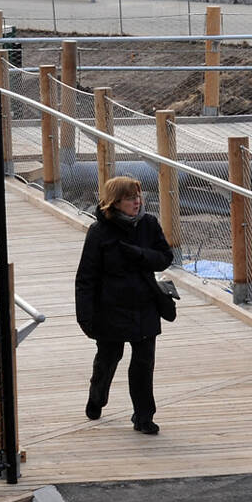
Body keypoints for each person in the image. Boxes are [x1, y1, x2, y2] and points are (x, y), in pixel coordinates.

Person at [74, 175, 175, 434]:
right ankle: (97, 397)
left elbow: (165, 258)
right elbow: (85, 278)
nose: (137, 201)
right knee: (108, 358)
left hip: (144, 305)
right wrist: (85, 317)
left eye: (138, 196)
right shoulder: (99, 232)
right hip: (110, 309)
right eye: (131, 198)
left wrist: (141, 255)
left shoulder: (149, 224)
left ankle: (143, 417)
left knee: (143, 363)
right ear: (115, 202)